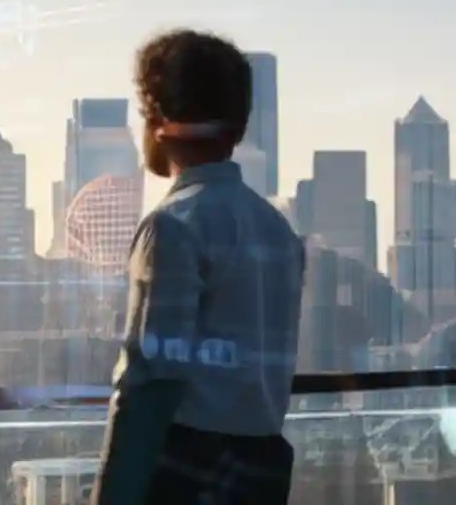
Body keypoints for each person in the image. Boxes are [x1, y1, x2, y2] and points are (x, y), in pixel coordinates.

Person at [92, 29, 305, 505]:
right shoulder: (278, 231)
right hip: (262, 470)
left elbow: (150, 382)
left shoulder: (173, 228)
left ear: (157, 120)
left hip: (187, 470)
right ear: (240, 126)